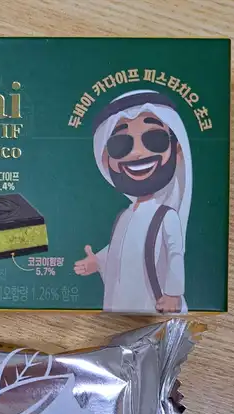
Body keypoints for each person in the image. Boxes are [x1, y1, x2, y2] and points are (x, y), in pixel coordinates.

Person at [74, 90, 192, 313]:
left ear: (177, 151)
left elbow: (175, 255)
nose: (137, 153)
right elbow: (119, 251)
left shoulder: (166, 216)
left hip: (155, 306)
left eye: (155, 139)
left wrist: (173, 294)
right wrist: (97, 262)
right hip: (119, 304)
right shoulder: (124, 216)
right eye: (121, 144)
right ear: (106, 160)